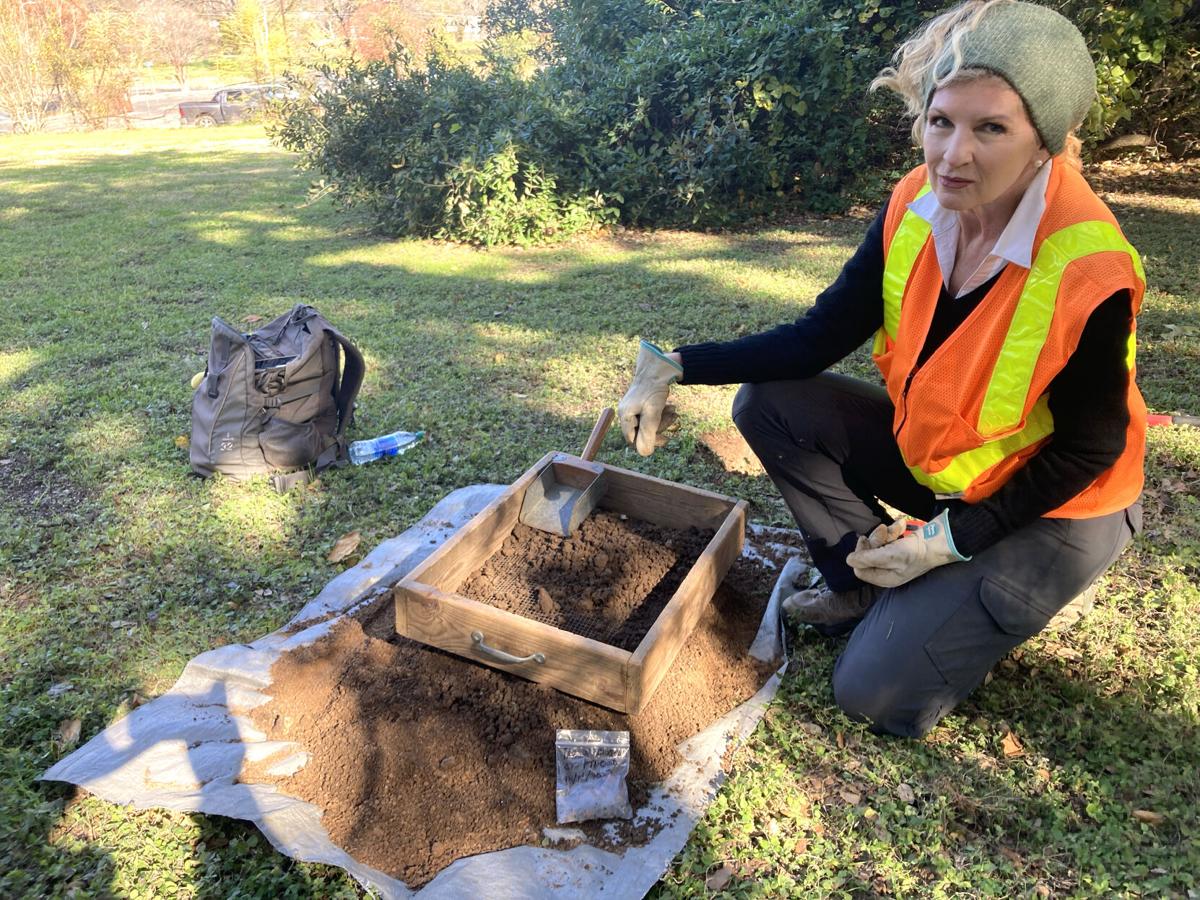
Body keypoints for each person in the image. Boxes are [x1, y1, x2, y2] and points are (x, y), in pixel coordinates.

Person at [616, 0, 1145, 738]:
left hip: (1058, 507)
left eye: (990, 128)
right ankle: (861, 587)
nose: (953, 156)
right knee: (769, 401)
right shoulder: (916, 205)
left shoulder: (1088, 265)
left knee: (871, 694)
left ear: (1043, 142)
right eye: (941, 121)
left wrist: (943, 542)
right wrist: (674, 364)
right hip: (946, 465)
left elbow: (1091, 449)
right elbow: (817, 337)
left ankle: (953, 596)